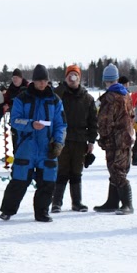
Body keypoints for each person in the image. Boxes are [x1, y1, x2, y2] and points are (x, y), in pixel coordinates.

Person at [0, 65, 66, 223]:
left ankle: (42, 212)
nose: (42, 83)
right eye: (39, 80)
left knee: (48, 181)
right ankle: (7, 210)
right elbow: (14, 120)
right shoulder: (22, 98)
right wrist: (30, 124)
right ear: (34, 81)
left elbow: (61, 124)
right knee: (19, 180)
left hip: (47, 147)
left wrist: (58, 143)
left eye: (44, 80)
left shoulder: (55, 100)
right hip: (26, 146)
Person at [51, 65, 97, 213]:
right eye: (70, 75)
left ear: (79, 78)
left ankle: (77, 202)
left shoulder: (88, 98)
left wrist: (91, 141)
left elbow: (93, 122)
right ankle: (56, 203)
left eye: (75, 75)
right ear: (65, 77)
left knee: (77, 172)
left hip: (80, 140)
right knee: (62, 171)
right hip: (62, 139)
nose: (72, 78)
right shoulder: (57, 95)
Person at [94, 64, 135, 214]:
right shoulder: (126, 95)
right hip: (126, 138)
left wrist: (103, 136)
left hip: (114, 140)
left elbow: (104, 121)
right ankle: (112, 201)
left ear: (105, 80)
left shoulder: (109, 98)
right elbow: (132, 116)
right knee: (116, 169)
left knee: (117, 170)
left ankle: (127, 204)